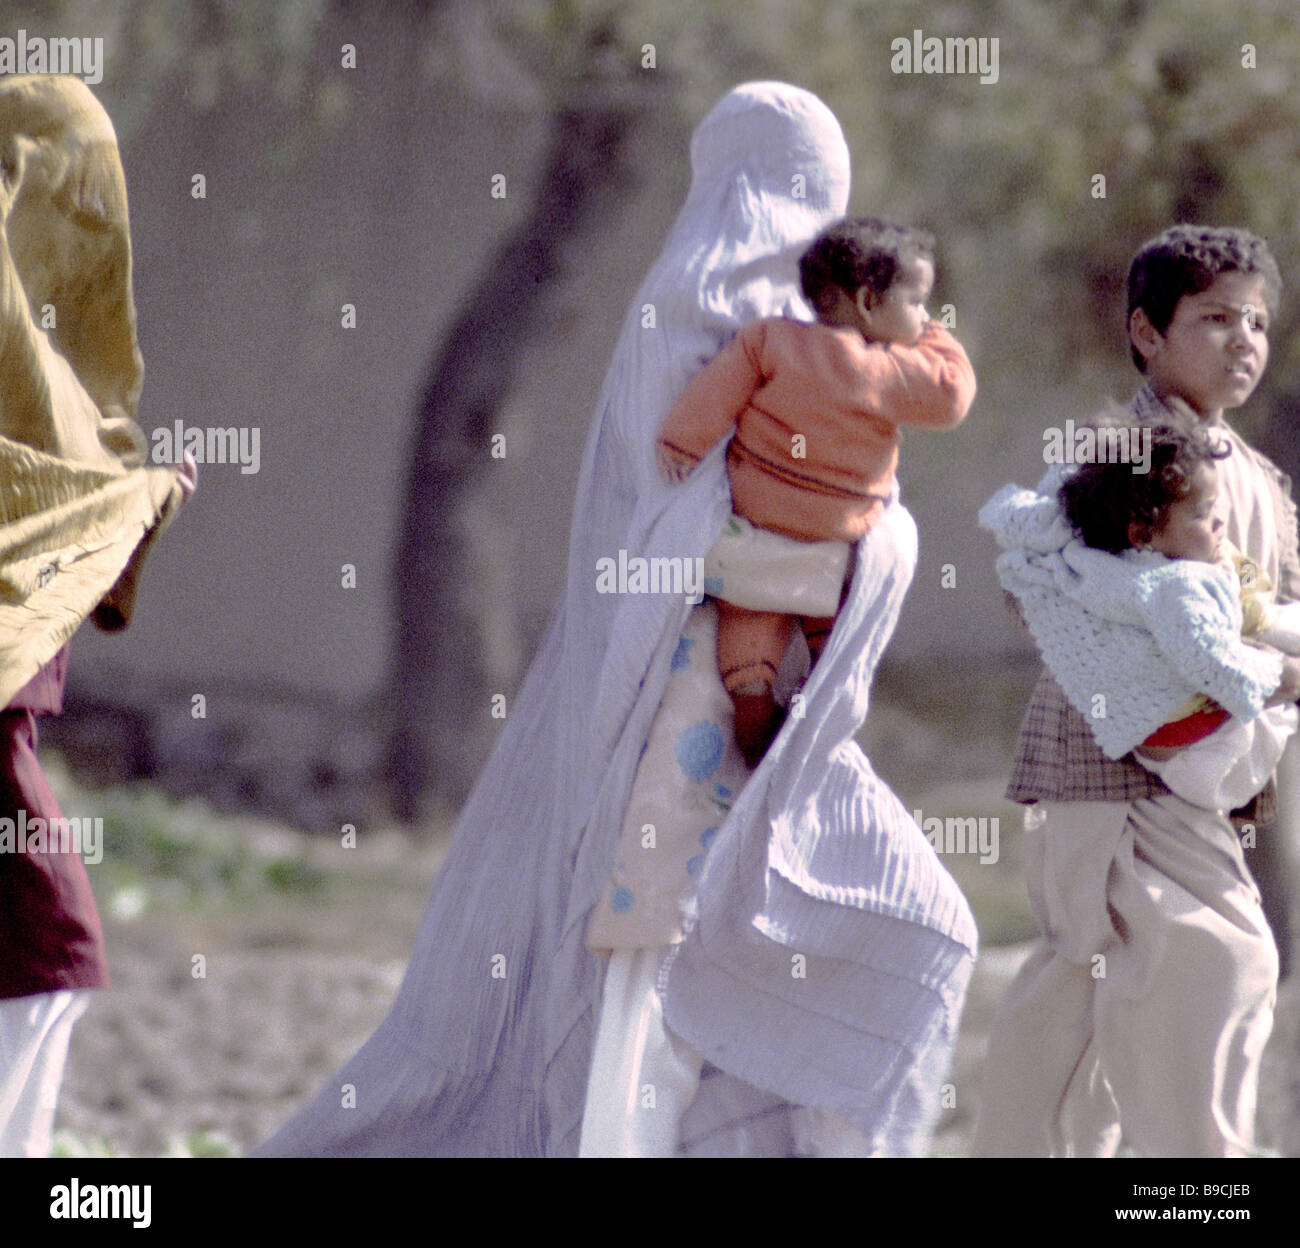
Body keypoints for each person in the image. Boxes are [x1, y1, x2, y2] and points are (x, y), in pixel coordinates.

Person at [258, 81, 976, 1159]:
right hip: (677, 708)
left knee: (916, 926)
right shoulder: (693, 329)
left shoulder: (805, 340)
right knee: (648, 975)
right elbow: (668, 529)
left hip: (790, 708)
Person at [974, 224, 1300, 1158]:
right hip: (1116, 770)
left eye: (1258, 322)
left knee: (1104, 995)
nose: (1244, 340)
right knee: (1209, 967)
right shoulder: (1114, 451)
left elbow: (1268, 601)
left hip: (1202, 774)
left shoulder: (1255, 476)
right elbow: (1036, 583)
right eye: (1214, 319)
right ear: (1147, 333)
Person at [0, 75, 196, 1156]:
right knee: (48, 952)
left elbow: (51, 512)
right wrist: (127, 503)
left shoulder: (47, 364)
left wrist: (138, 503)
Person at [657, 217, 975, 765]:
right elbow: (953, 395)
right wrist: (933, 336)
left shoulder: (770, 339)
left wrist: (681, 442)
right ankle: (818, 692)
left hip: (757, 515)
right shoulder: (885, 371)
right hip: (833, 530)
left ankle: (751, 693)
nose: (925, 316)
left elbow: (716, 390)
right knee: (835, 621)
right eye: (918, 301)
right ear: (869, 302)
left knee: (749, 607)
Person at [982, 421, 1300, 813]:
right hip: (1197, 747)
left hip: (1171, 743)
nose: (1219, 521)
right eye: (1202, 514)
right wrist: (1282, 676)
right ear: (1141, 534)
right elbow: (1216, 662)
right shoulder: (1171, 588)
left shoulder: (1105, 559)